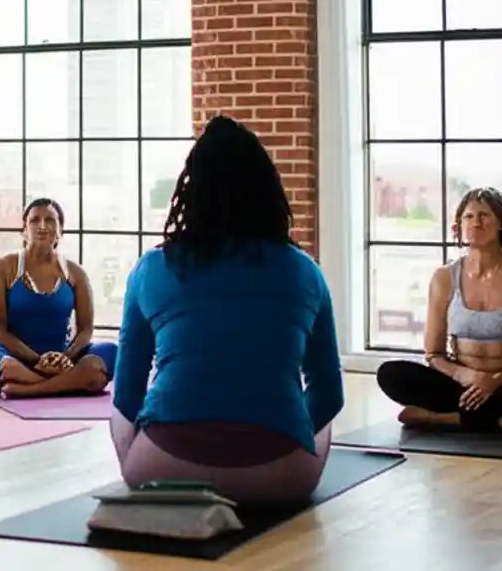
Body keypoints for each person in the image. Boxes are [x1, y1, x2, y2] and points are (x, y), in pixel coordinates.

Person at [111, 115, 344, 506]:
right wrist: (285, 432)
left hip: (160, 469)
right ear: (267, 191)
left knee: (119, 413)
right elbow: (330, 395)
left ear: (190, 191)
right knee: (319, 422)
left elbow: (127, 397)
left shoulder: (151, 268)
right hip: (279, 478)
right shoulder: (305, 271)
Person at [376, 187, 502, 435]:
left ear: (501, 224)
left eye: (484, 216)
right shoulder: (444, 278)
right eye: (469, 217)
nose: (475, 223)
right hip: (460, 385)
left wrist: (492, 383)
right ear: (459, 225)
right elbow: (433, 354)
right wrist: (465, 375)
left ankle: (439, 418)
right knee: (390, 373)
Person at [0, 198, 118, 398]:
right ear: (24, 230)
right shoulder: (3, 267)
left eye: (50, 220)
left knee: (113, 352)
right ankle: (72, 383)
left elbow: (85, 330)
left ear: (60, 230)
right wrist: (36, 360)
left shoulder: (75, 273)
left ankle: (29, 388)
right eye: (34, 220)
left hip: (61, 356)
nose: (42, 226)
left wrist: (65, 358)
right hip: (14, 355)